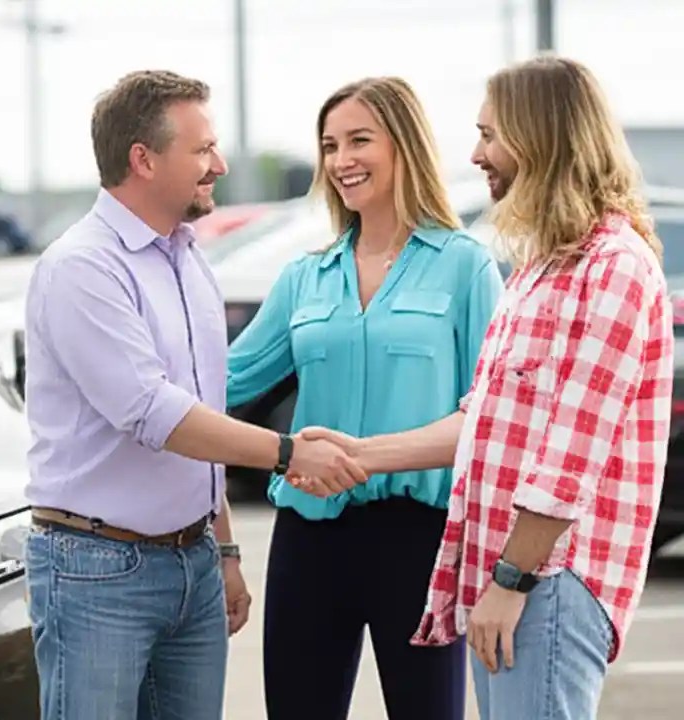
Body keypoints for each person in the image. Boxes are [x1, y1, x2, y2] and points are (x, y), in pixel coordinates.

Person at [305, 56, 673, 720]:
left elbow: (571, 453)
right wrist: (359, 455)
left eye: (491, 135)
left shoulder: (615, 268)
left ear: (542, 137)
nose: (477, 154)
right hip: (512, 575)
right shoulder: (540, 269)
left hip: (549, 580)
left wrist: (511, 581)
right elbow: (484, 420)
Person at [21, 69, 367, 720]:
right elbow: (152, 412)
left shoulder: (188, 259)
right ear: (143, 159)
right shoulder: (81, 268)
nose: (220, 164)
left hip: (193, 565)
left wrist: (224, 548)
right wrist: (290, 452)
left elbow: (200, 411)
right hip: (97, 572)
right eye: (202, 149)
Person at [225, 76, 504, 719]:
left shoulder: (465, 266)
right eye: (329, 145)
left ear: (403, 145)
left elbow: (488, 415)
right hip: (308, 540)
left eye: (359, 141)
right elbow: (220, 385)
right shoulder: (305, 277)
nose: (341, 160)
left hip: (419, 541)